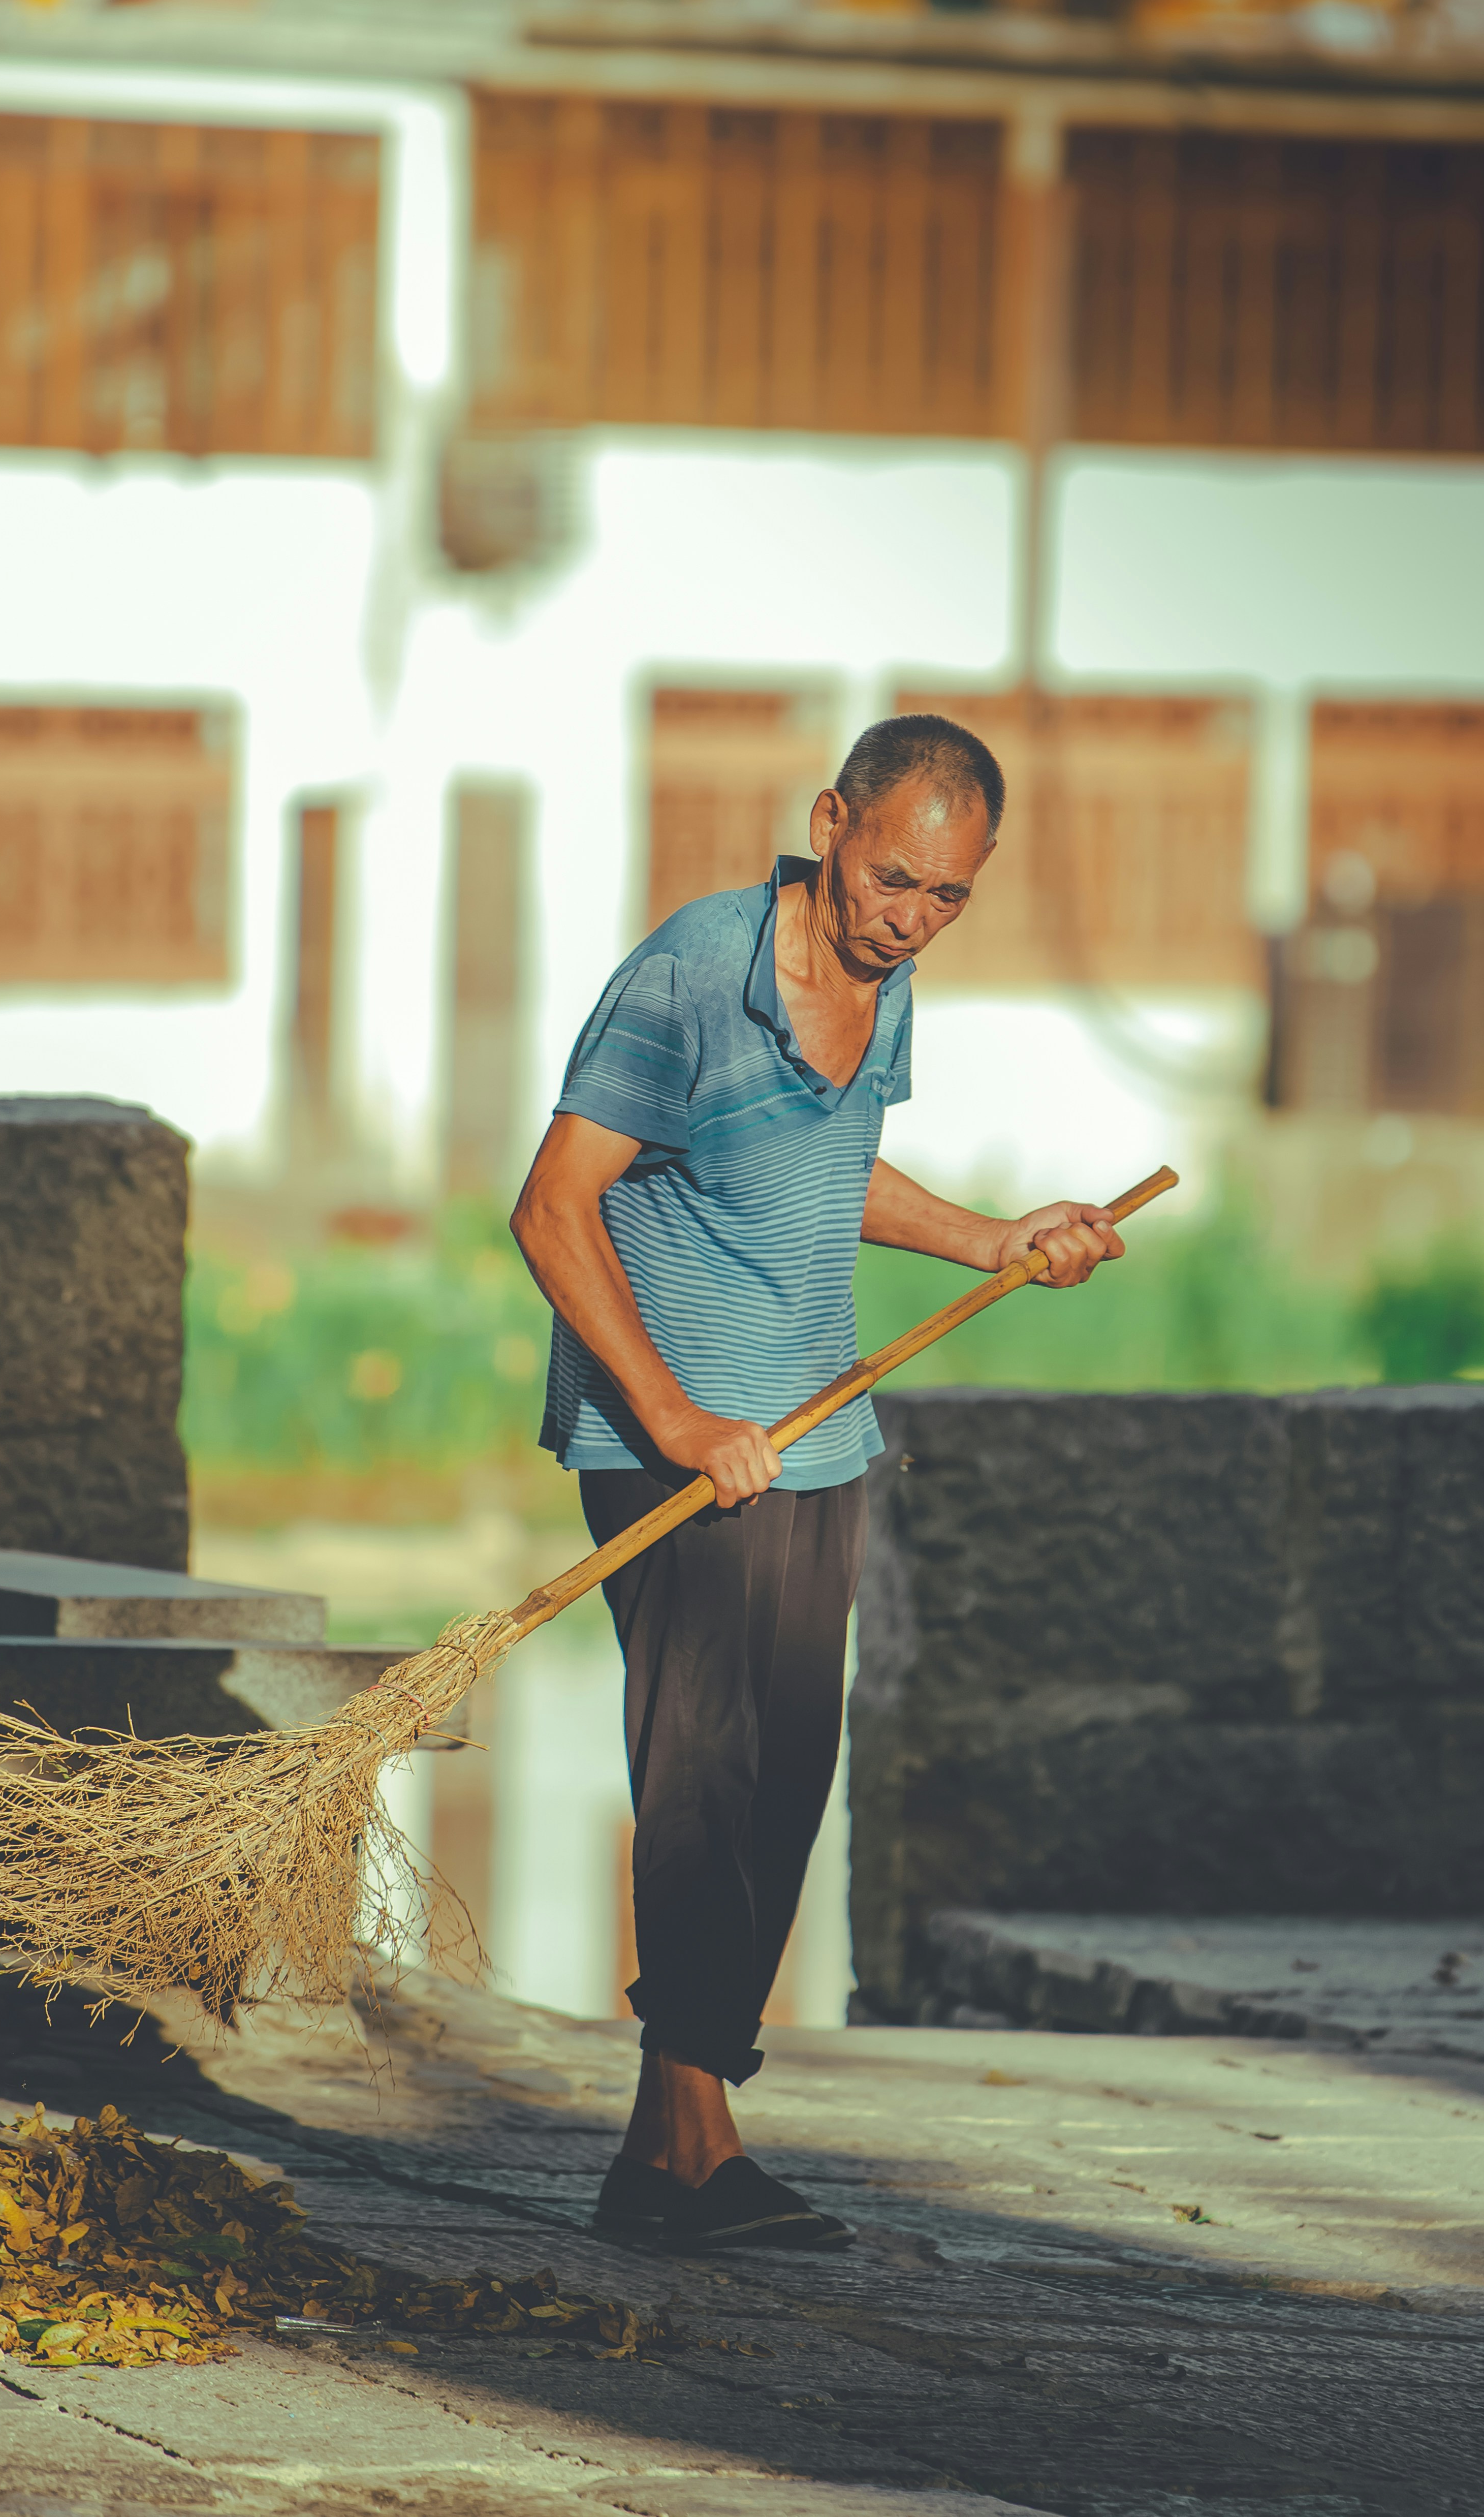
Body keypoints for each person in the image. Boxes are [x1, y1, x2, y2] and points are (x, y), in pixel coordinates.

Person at [509, 712, 1123, 2251]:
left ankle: (667, 2150)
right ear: (831, 820)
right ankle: (700, 2147)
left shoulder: (890, 987)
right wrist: (669, 1410)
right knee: (698, 1771)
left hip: (819, 1438)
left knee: (784, 1780)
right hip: (683, 1454)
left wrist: (998, 1240)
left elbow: (832, 1175)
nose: (911, 916)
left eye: (948, 898)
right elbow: (550, 1206)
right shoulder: (691, 974)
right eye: (897, 876)